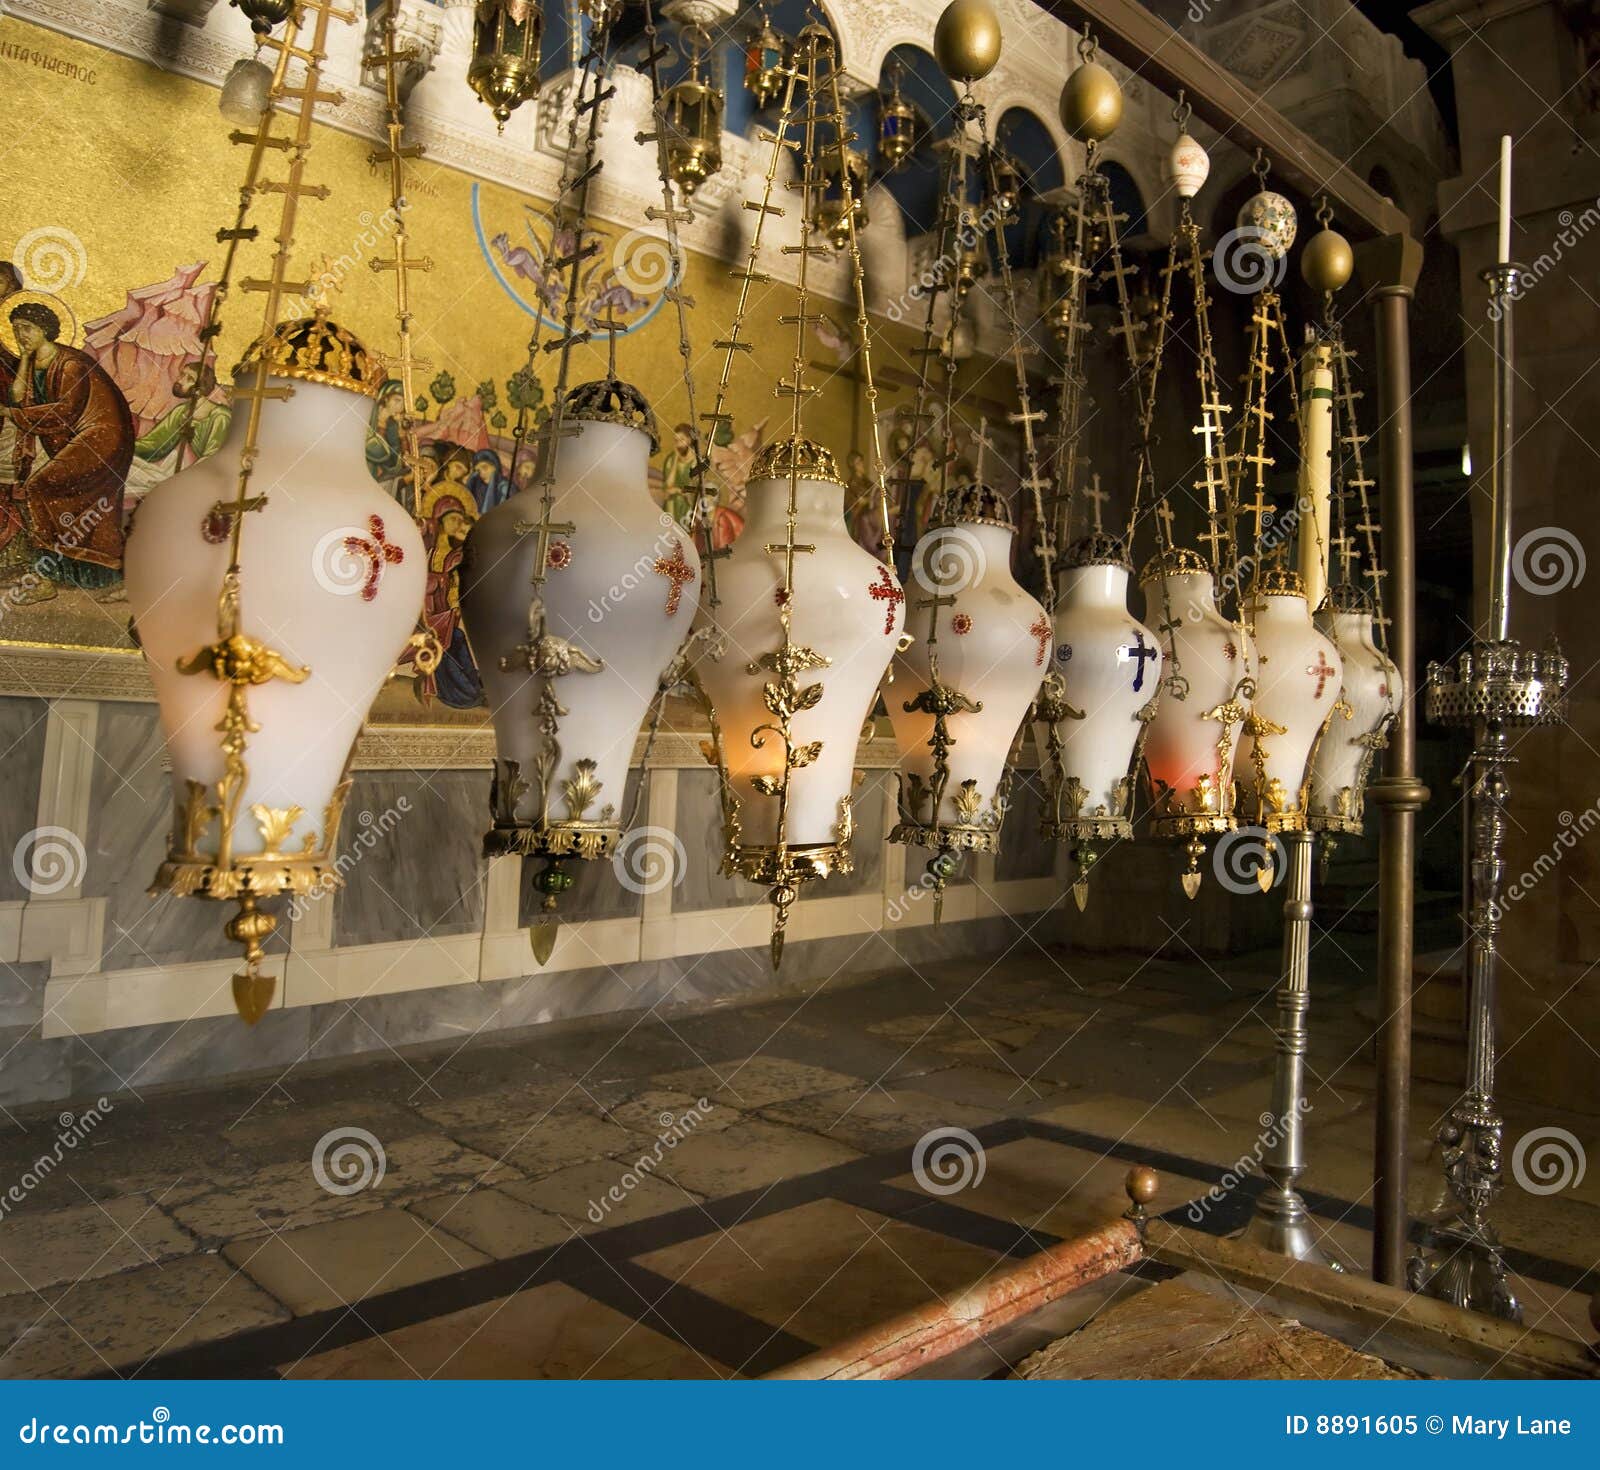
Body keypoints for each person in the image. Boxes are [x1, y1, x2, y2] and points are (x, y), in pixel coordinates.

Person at [0, 298, 131, 603]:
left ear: (45, 329)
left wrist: (10, 414)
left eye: (28, 328)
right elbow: (18, 397)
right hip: (80, 439)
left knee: (39, 487)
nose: (21, 335)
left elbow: (65, 412)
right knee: (81, 506)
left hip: (102, 439)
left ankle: (44, 577)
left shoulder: (71, 364)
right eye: (16, 329)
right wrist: (23, 359)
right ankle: (94, 574)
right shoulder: (35, 362)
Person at [122, 360, 231, 503]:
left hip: (204, 478)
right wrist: (121, 447)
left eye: (189, 379)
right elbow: (154, 445)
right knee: (125, 463)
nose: (180, 381)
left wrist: (182, 480)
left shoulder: (220, 416)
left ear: (201, 387)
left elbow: (213, 456)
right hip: (180, 475)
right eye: (182, 375)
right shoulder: (182, 412)